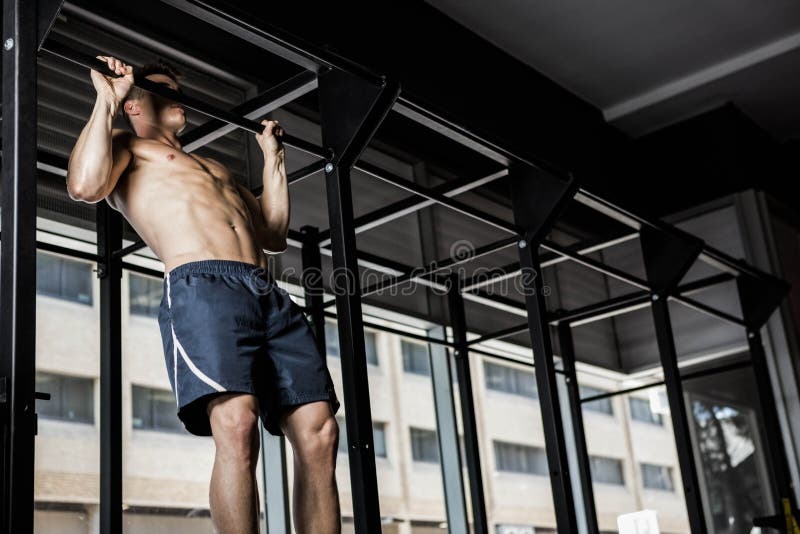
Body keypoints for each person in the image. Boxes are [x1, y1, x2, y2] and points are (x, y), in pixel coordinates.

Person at [66, 55, 342, 534]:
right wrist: (107, 100)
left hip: (264, 290)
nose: (178, 96)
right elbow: (84, 185)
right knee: (237, 427)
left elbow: (273, 233)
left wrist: (272, 159)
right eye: (165, 88)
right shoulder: (126, 146)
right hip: (202, 286)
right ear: (135, 104)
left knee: (320, 433)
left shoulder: (215, 166)